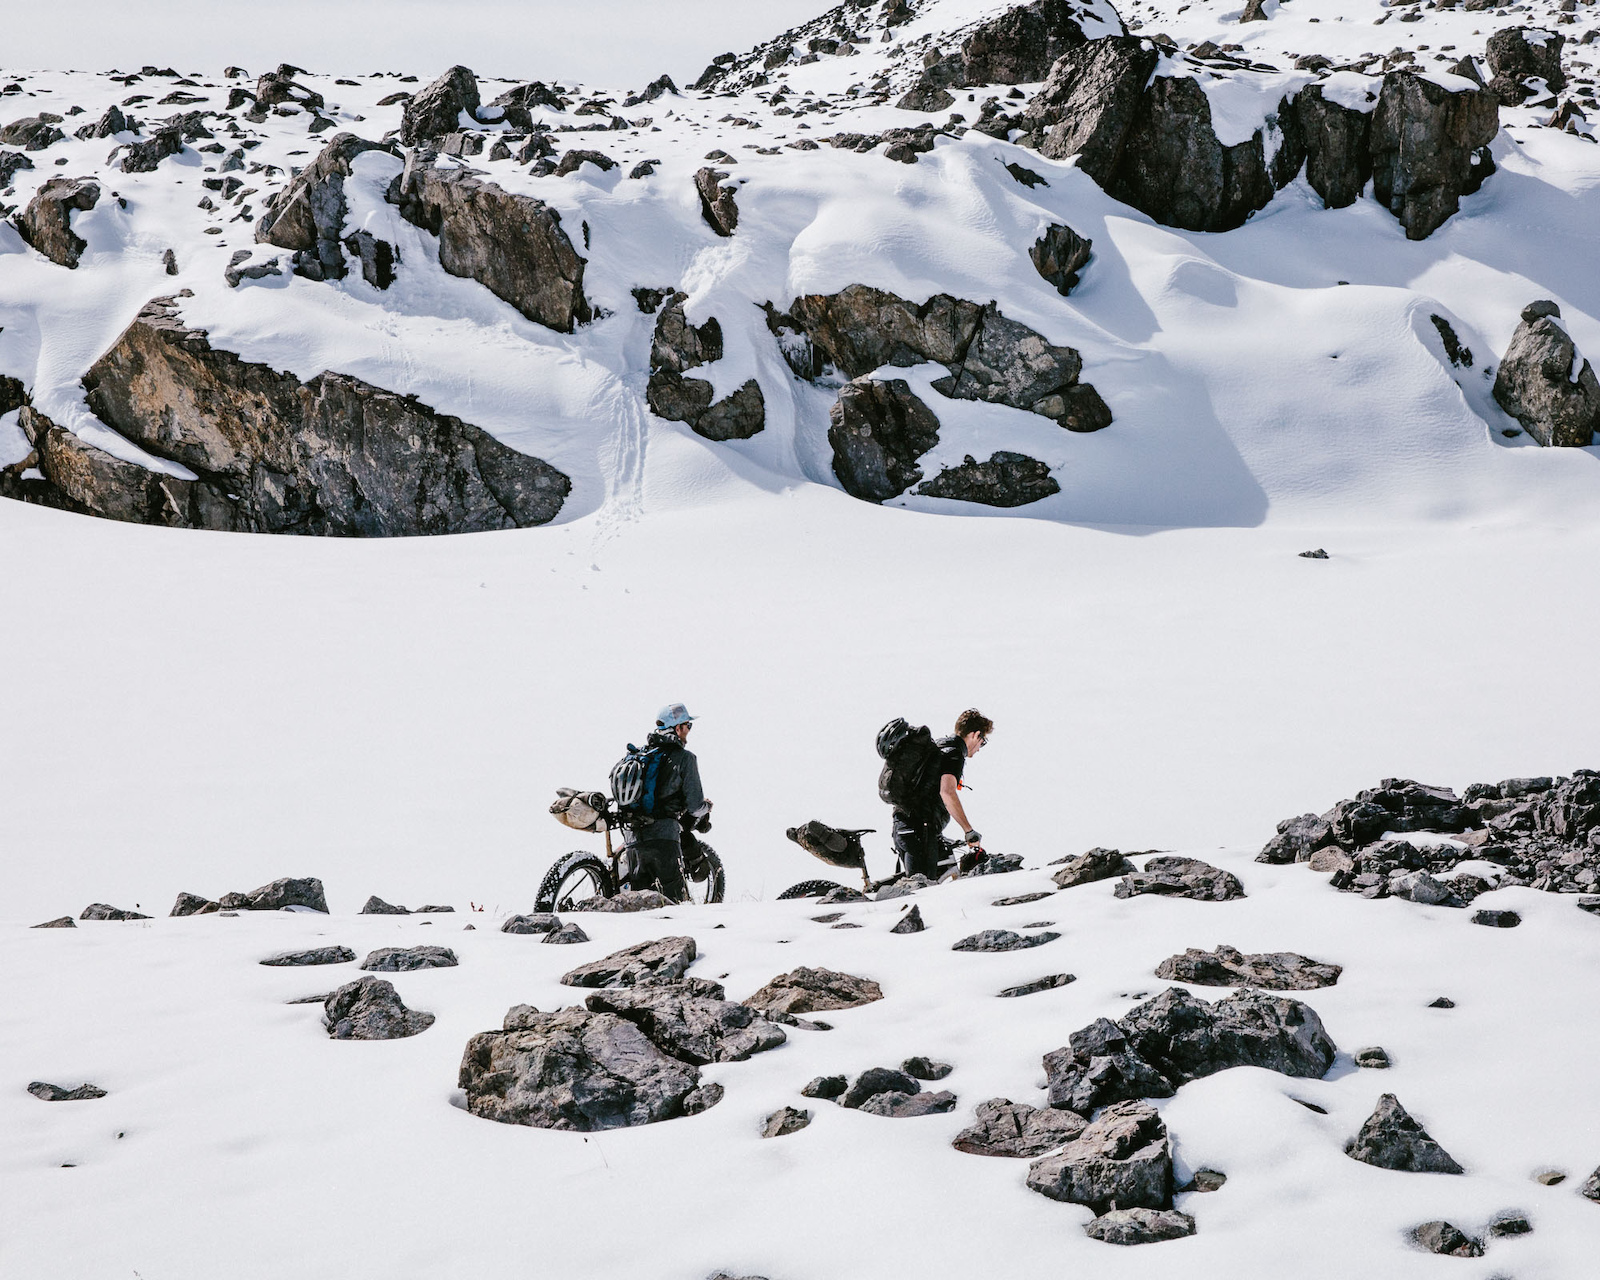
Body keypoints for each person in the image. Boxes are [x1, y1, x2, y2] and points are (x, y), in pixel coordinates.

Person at [891, 708, 993, 880]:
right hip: (919, 830)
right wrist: (968, 831)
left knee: (921, 884)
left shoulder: (939, 746)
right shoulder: (954, 753)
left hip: (906, 826)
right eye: (983, 742)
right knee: (921, 891)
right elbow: (947, 792)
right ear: (975, 735)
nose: (980, 748)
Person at [626, 702, 710, 901]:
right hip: (664, 840)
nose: (689, 730)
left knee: (641, 912)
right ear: (678, 727)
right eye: (688, 725)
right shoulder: (684, 758)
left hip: (632, 840)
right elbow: (695, 806)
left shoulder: (640, 756)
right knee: (674, 909)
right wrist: (707, 807)